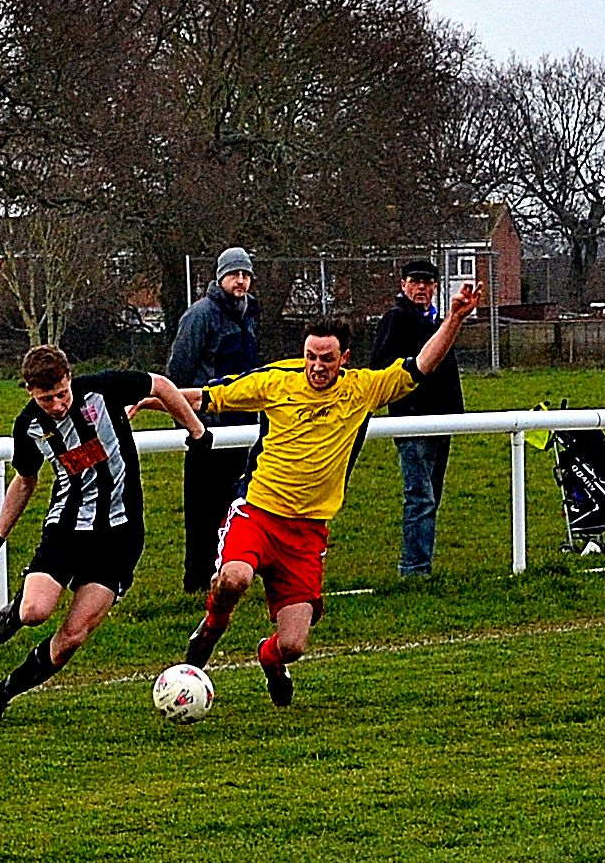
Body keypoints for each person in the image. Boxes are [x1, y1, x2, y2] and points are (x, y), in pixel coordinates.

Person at [175, 282, 483, 708]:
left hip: (307, 534)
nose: (316, 366)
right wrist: (149, 393)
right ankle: (210, 628)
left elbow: (420, 368)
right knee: (234, 577)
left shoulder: (361, 389)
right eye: (310, 357)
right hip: (258, 514)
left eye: (326, 359)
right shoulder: (276, 381)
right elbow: (207, 396)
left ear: (344, 359)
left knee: (294, 645)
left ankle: (269, 659)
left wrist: (454, 319)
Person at [0, 344, 210, 727]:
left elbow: (160, 385)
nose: (59, 405)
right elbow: (25, 481)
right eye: (47, 399)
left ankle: (0, 693)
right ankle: (16, 609)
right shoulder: (28, 426)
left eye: (63, 393)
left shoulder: (103, 389)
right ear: (30, 390)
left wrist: (197, 432)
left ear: (70, 378)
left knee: (73, 637)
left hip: (121, 537)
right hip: (67, 529)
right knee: (35, 612)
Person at [165, 246, 262, 593]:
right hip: (208, 430)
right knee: (201, 510)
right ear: (220, 277)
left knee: (236, 505)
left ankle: (228, 573)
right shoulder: (200, 315)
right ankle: (196, 581)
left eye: (246, 274)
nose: (241, 281)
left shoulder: (250, 313)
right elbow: (177, 373)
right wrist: (189, 423)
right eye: (235, 274)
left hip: (245, 429)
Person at [369, 259, 465, 577]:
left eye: (428, 282)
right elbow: (381, 367)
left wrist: (456, 413)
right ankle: (414, 568)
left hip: (442, 422)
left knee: (431, 496)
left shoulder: (439, 322)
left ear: (436, 287)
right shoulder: (396, 320)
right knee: (420, 496)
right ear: (403, 284)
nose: (421, 287)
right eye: (415, 281)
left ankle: (421, 562)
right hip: (412, 422)